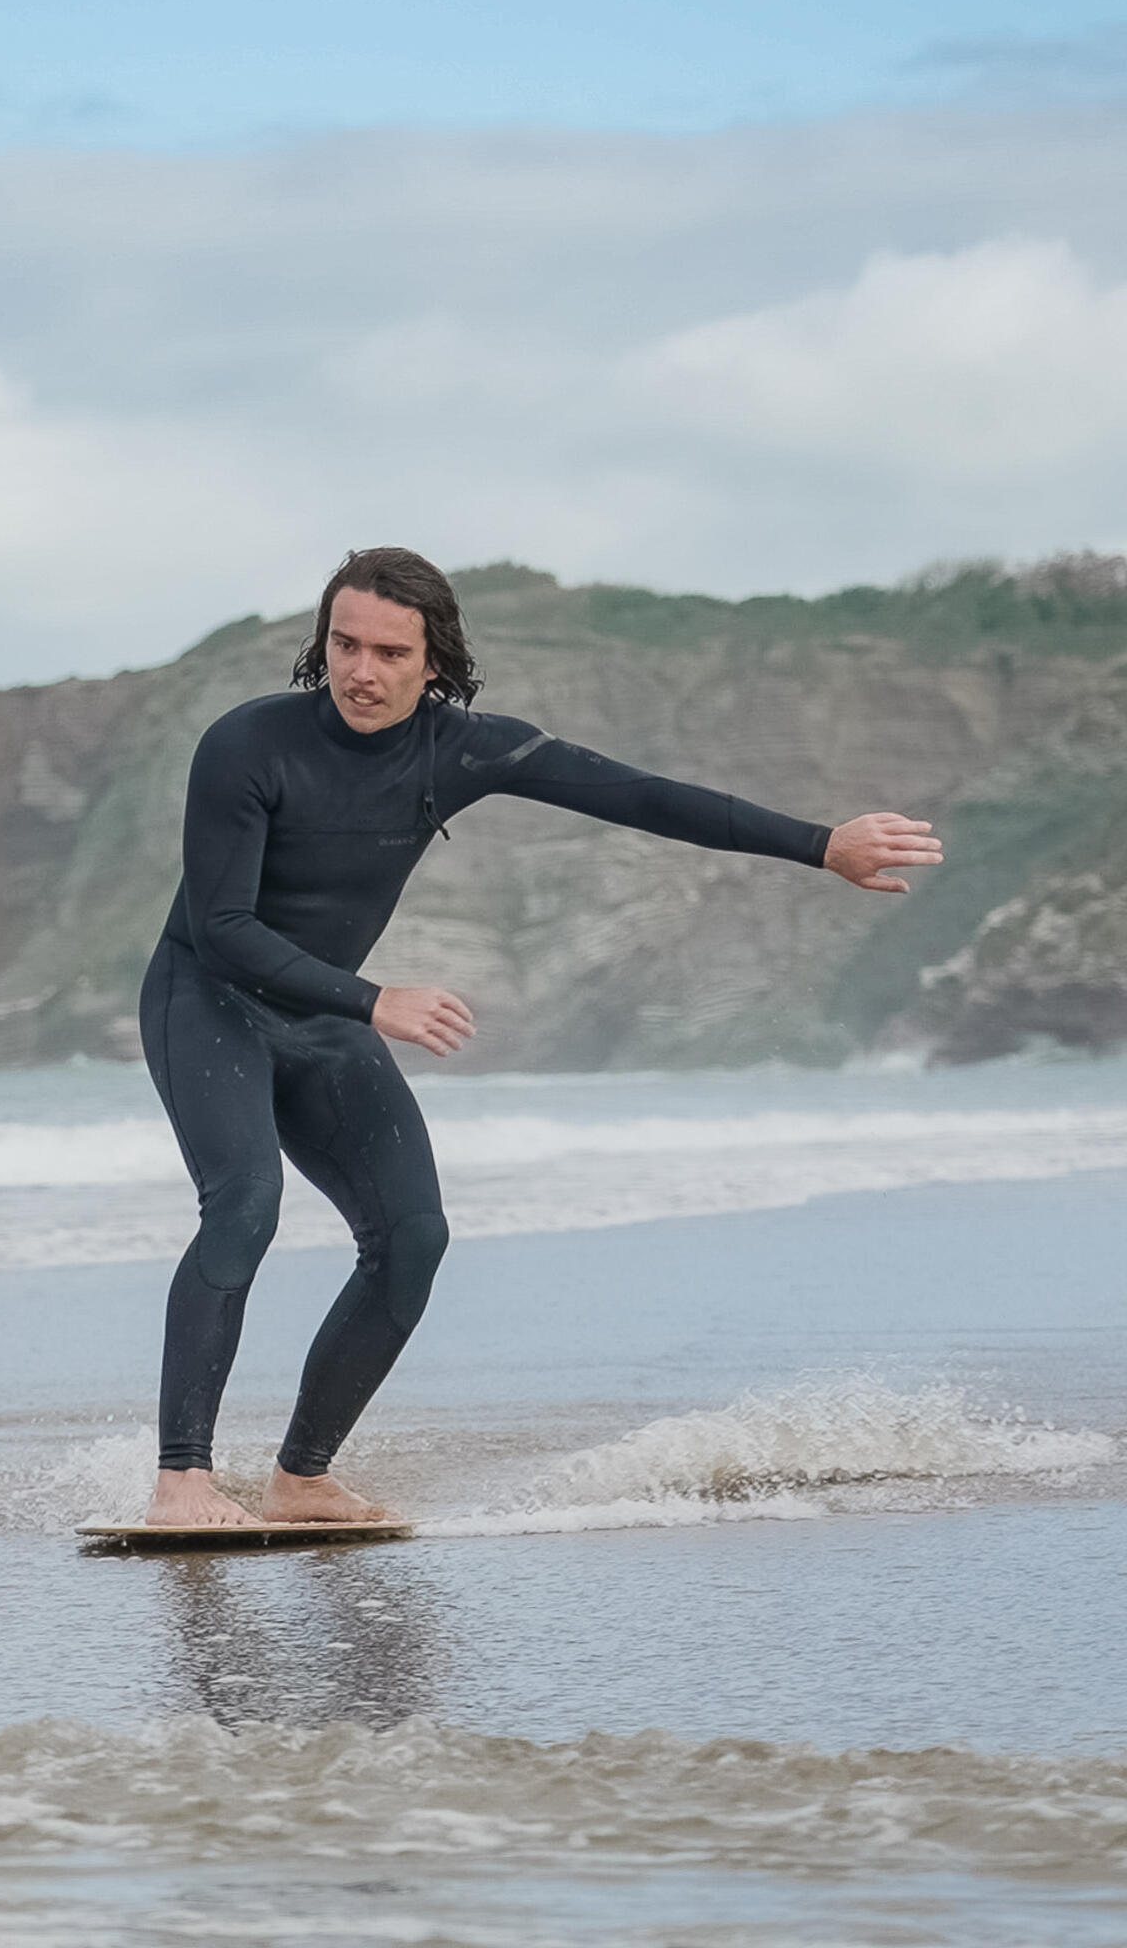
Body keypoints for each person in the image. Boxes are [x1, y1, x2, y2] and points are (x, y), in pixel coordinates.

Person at [139, 547, 943, 1528]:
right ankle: (181, 1476)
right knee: (244, 1204)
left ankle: (300, 1476)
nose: (359, 669)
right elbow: (222, 929)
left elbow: (637, 793)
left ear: (433, 659)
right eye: (343, 642)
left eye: (388, 651)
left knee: (411, 1238)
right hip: (208, 997)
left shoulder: (462, 750)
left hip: (327, 1012)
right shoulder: (246, 745)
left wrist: (819, 843)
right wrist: (371, 999)